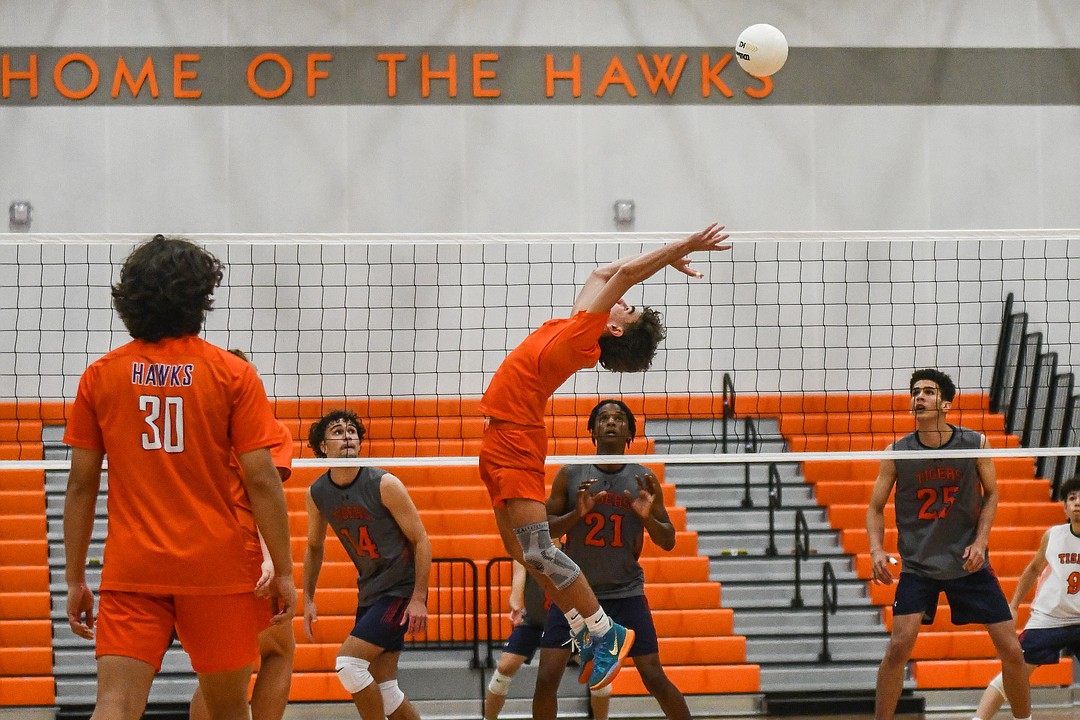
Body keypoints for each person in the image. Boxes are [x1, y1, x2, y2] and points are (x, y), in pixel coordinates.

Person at [478, 223, 730, 691]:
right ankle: (581, 625)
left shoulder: (583, 336)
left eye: (626, 308)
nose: (619, 299)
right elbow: (607, 272)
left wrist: (682, 247)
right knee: (518, 550)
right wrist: (666, 257)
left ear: (612, 327)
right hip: (498, 438)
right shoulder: (581, 326)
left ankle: (603, 629)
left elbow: (626, 275)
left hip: (517, 438)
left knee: (537, 548)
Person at [62, 235, 296, 720]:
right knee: (228, 710)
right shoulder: (233, 374)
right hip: (217, 567)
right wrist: (287, 572)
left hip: (134, 567)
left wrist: (74, 578)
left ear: (129, 297)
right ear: (200, 297)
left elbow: (81, 485)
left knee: (115, 705)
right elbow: (263, 481)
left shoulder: (100, 376)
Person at [866, 369, 1030, 720]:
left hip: (968, 564)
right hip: (918, 566)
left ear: (946, 403)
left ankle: (1024, 718)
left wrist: (981, 542)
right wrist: (876, 550)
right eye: (915, 392)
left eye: (928, 391)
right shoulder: (897, 451)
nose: (919, 397)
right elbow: (875, 507)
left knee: (1013, 651)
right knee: (897, 650)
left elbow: (992, 495)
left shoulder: (975, 443)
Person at [533, 399, 691, 720]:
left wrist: (646, 519)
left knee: (654, 677)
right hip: (575, 594)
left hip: (625, 594)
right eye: (603, 418)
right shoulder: (570, 473)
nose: (610, 422)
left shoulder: (643, 479)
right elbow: (544, 530)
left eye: (619, 419)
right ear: (591, 430)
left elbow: (669, 540)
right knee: (547, 678)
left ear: (630, 431)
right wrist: (577, 514)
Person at [189, 348, 297, 720]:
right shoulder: (269, 429)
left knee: (216, 670)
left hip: (185, 551)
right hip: (239, 549)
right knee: (278, 650)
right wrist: (274, 561)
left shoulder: (191, 428)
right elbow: (262, 493)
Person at [303, 409, 432, 720]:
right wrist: (307, 598)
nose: (347, 436)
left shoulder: (384, 483)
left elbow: (422, 541)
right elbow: (314, 546)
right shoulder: (318, 492)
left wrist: (418, 598)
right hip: (370, 592)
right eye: (337, 431)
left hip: (399, 592)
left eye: (352, 431)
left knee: (349, 665)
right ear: (323, 446)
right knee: (387, 692)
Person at [974, 475, 1080, 720]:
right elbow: (1033, 569)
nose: (1077, 503)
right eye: (1072, 498)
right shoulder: (1053, 535)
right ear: (1064, 506)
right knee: (1013, 671)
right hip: (1050, 618)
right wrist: (1013, 604)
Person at [484, 558, 609, 720]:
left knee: (598, 671)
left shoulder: (569, 554)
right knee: (505, 666)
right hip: (534, 621)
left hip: (566, 624)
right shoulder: (526, 555)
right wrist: (516, 605)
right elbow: (517, 586)